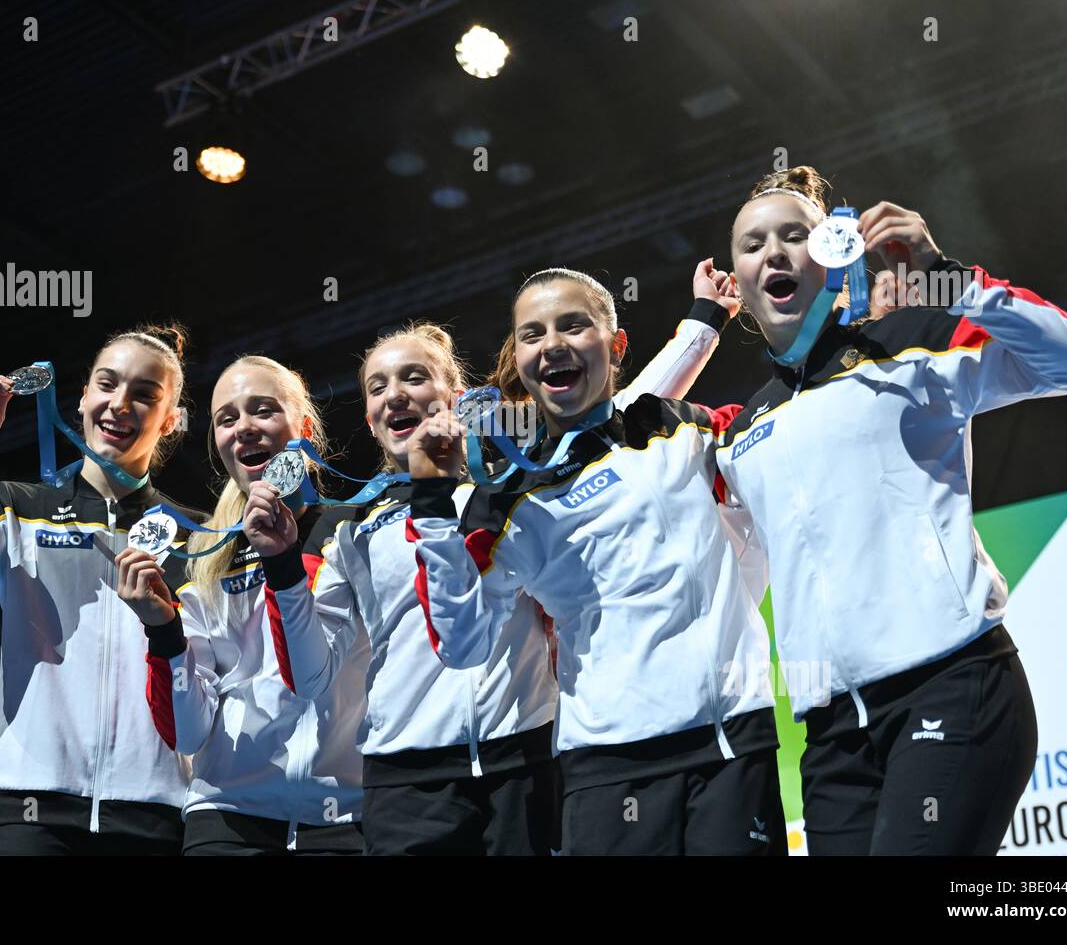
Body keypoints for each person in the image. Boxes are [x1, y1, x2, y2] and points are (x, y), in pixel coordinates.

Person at [243, 273, 739, 854]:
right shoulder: (346, 527)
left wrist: (703, 323)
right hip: (405, 780)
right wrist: (279, 567)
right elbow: (309, 677)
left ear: (455, 394)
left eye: (414, 377)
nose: (395, 394)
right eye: (377, 387)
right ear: (371, 415)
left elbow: (616, 415)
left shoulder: (511, 484)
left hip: (522, 762)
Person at [715, 165, 1067, 854]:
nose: (774, 253)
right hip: (832, 734)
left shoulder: (913, 345)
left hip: (951, 688)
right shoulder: (742, 430)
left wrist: (950, 280)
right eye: (754, 244)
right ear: (738, 283)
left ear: (837, 255)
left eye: (794, 236)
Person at [400, 269, 786, 855]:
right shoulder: (506, 500)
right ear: (521, 359)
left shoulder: (677, 428)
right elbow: (461, 644)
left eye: (573, 325)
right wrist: (430, 499)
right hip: (604, 762)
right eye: (532, 334)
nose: (552, 343)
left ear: (616, 344)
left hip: (730, 739)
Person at [0, 324, 199, 855]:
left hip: (155, 813)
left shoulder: (196, 535)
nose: (119, 404)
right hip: (29, 810)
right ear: (82, 396)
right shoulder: (16, 505)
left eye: (145, 395)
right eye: (107, 384)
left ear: (170, 420)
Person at [115, 355, 369, 855]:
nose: (244, 429)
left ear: (305, 427)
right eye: (227, 419)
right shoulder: (202, 557)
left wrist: (282, 561)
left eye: (262, 410)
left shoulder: (351, 529)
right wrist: (162, 629)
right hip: (227, 821)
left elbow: (313, 675)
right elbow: (188, 735)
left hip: (341, 815)